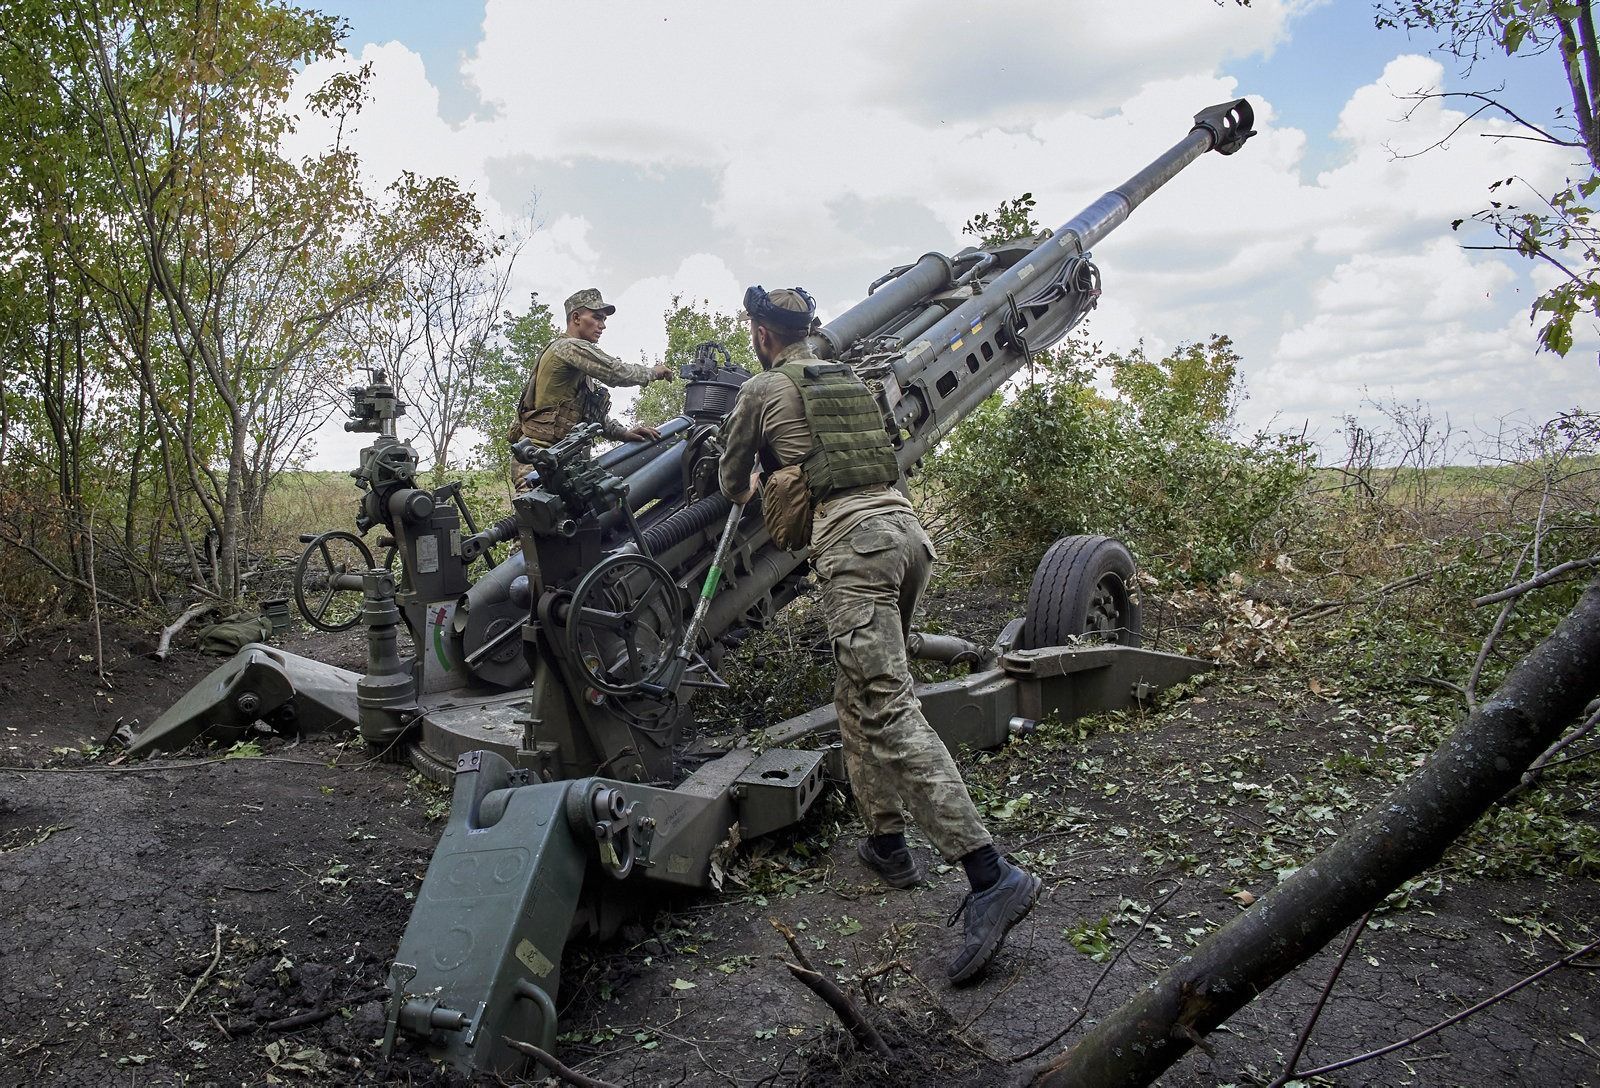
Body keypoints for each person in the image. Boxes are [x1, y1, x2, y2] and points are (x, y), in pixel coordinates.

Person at [717, 284, 1040, 985]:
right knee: (856, 696)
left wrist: (752, 486)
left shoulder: (763, 386)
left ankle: (988, 874)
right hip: (904, 533)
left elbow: (730, 479)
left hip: (853, 546)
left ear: (762, 334)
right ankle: (887, 841)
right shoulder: (847, 380)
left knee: (889, 707)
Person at [513, 288, 673, 451]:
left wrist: (624, 433)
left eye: (604, 319)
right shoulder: (568, 348)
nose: (602, 326)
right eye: (597, 318)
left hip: (556, 457)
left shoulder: (574, 360)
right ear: (576, 318)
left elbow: (591, 415)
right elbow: (615, 372)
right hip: (539, 459)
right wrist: (653, 372)